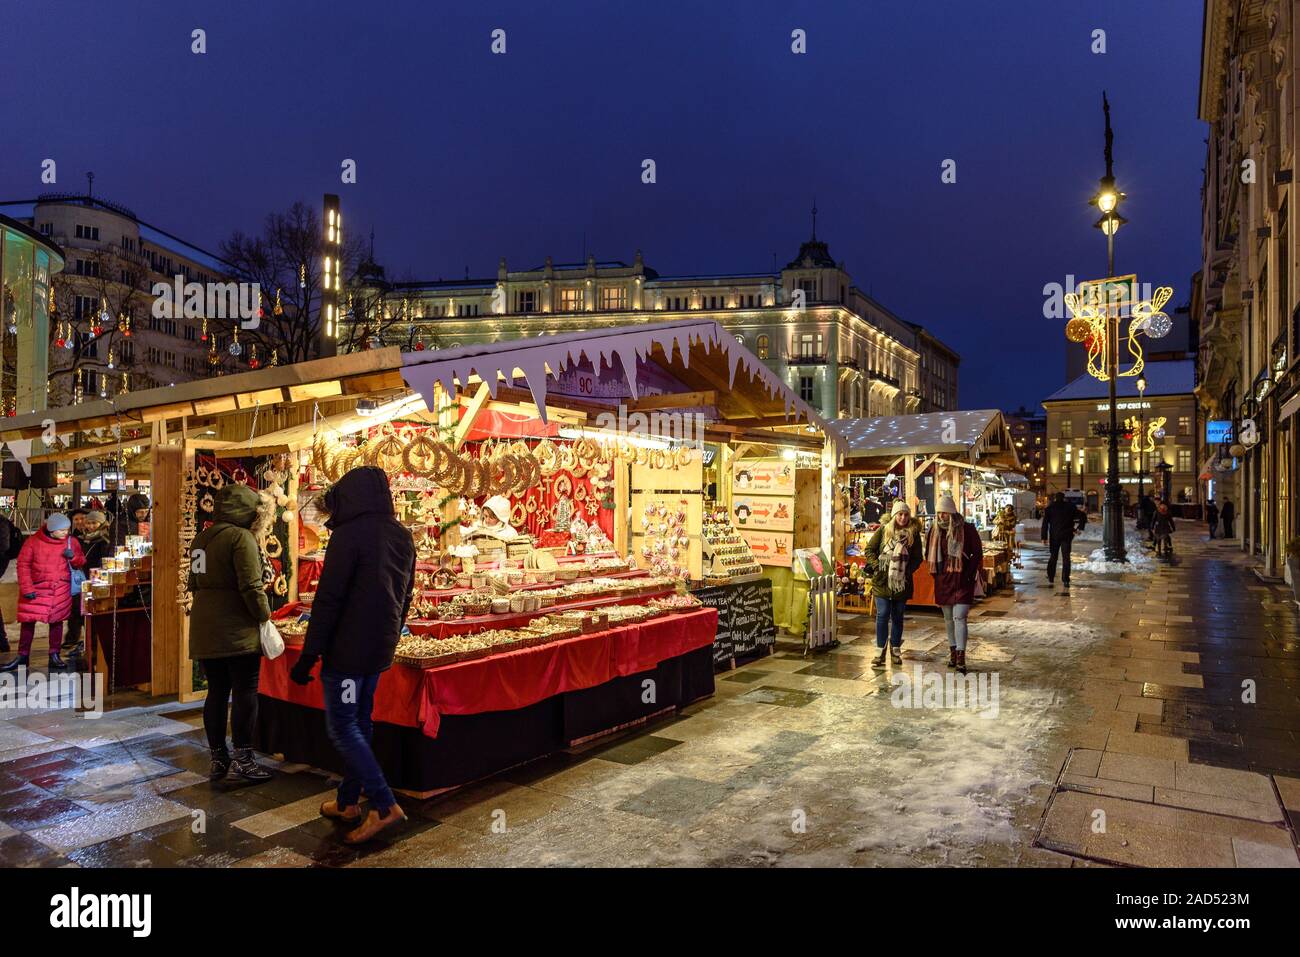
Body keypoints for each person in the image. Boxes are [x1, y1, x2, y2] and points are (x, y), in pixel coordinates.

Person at [290, 466, 416, 844]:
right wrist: (391, 636)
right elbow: (406, 595)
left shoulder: (348, 536)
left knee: (344, 726)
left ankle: (382, 804)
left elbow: (328, 601)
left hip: (346, 654)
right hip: (379, 649)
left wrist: (308, 657)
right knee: (360, 720)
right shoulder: (401, 536)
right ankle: (348, 802)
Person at [188, 484, 275, 782]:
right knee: (244, 690)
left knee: (216, 691)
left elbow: (193, 581)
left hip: (204, 626)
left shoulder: (201, 538)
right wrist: (265, 617)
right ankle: (244, 758)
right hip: (236, 628)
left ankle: (218, 758)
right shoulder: (241, 538)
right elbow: (251, 586)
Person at [1, 514, 85, 672]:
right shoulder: (33, 542)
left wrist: (73, 557)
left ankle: (54, 654)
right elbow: (23, 565)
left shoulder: (71, 542)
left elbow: (81, 561)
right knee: (28, 622)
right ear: (51, 529)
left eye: (67, 529)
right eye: (61, 530)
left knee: (57, 622)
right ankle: (22, 655)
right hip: (36, 588)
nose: (65, 533)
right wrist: (27, 588)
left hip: (60, 588)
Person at [927, 494, 984, 674]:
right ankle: (952, 652)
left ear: (952, 512)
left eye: (944, 512)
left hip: (961, 580)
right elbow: (927, 552)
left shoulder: (967, 529)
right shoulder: (934, 531)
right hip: (943, 580)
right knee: (948, 619)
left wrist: (968, 575)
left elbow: (977, 553)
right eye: (939, 512)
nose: (941, 516)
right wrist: (936, 573)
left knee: (960, 617)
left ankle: (961, 656)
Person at [865, 500, 924, 668]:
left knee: (897, 616)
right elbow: (869, 549)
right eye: (900, 514)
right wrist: (877, 566)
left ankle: (895, 649)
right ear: (894, 515)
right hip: (882, 581)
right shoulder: (884, 531)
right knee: (882, 615)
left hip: (901, 582)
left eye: (906, 514)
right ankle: (879, 651)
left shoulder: (913, 534)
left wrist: (907, 570)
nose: (903, 517)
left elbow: (918, 557)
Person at [1041, 492, 1085, 594]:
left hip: (1054, 536)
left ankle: (1051, 577)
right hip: (1067, 535)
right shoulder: (1070, 507)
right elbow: (1082, 516)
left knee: (1053, 556)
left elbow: (1045, 524)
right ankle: (1066, 580)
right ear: (1064, 498)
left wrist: (1044, 537)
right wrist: (1078, 528)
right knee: (1066, 558)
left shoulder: (1050, 508)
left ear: (1055, 498)